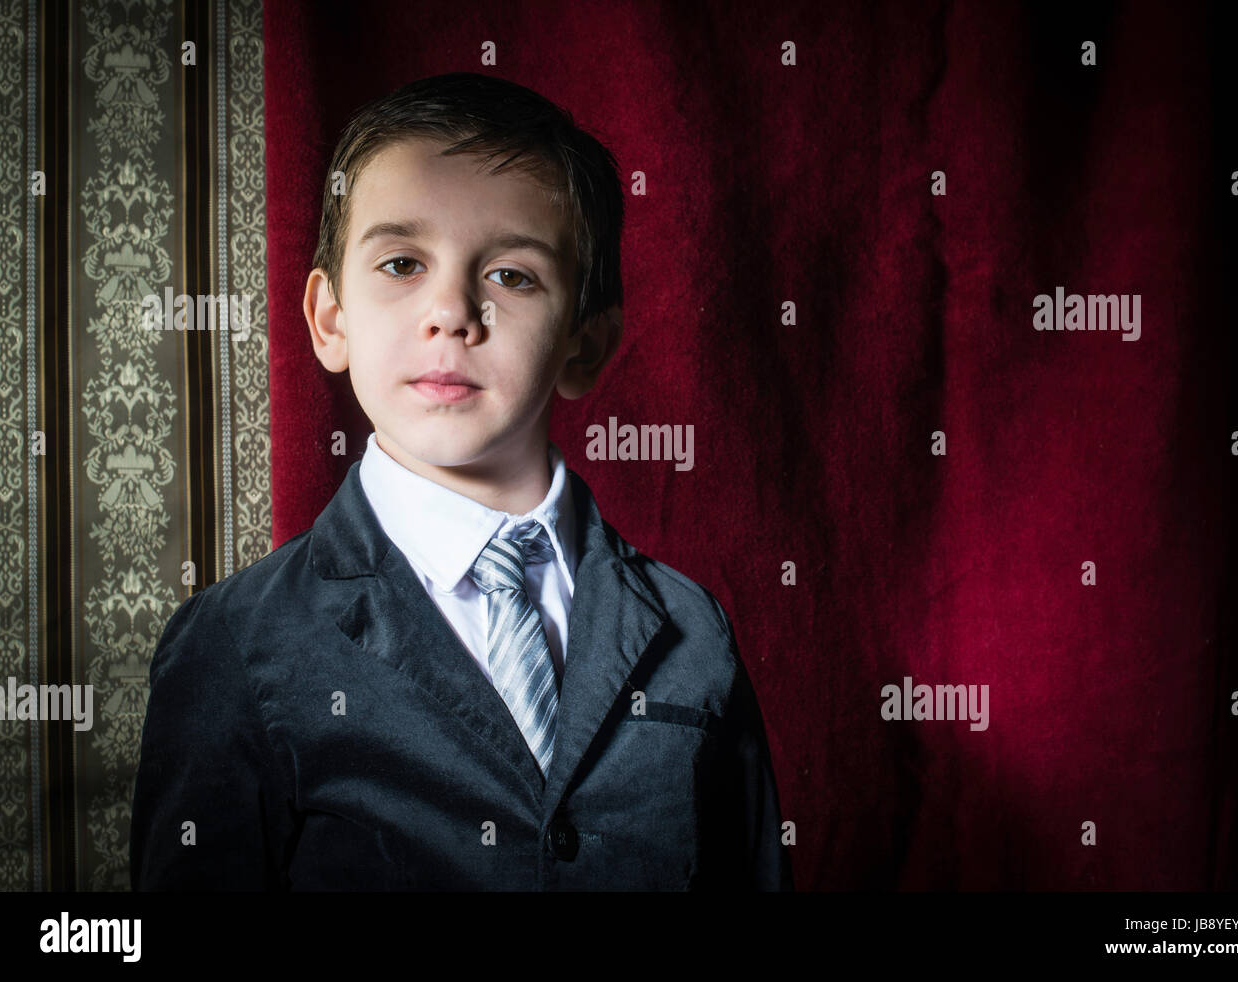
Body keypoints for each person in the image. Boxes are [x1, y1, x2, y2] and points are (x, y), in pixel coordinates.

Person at [130, 72, 792, 891]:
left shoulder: (692, 630)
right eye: (403, 263)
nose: (451, 312)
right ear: (330, 320)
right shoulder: (235, 643)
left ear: (585, 343)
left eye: (512, 275)